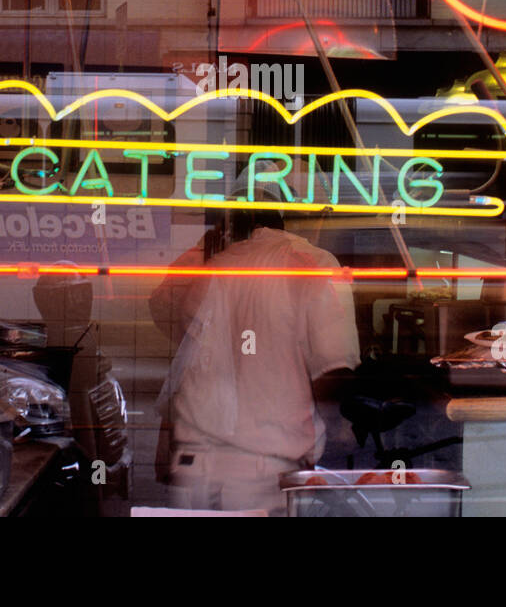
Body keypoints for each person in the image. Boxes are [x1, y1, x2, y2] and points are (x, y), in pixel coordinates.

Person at [150, 205, 360, 514]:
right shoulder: (315, 263)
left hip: (192, 469)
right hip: (264, 474)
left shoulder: (216, 266)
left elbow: (172, 319)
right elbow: (334, 372)